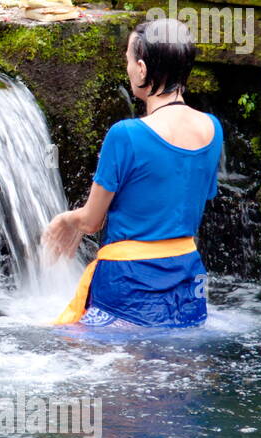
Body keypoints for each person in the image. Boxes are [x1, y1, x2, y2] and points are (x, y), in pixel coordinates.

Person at [42, 18, 223, 327]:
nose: (126, 69)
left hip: (127, 279)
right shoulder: (212, 128)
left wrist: (65, 220)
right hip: (187, 275)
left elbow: (91, 221)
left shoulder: (125, 134)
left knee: (112, 365)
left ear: (142, 69)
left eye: (128, 60)